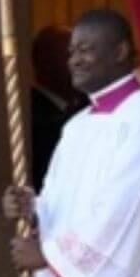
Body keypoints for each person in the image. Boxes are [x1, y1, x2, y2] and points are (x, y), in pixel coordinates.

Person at [3, 8, 140, 277]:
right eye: (71, 52)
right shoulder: (76, 126)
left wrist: (51, 256)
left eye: (85, 49)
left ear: (120, 52)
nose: (74, 60)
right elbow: (62, 207)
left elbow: (126, 209)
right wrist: (32, 209)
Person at [29, 24, 86, 185]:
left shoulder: (86, 105)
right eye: (72, 54)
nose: (82, 63)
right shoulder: (31, 115)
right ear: (46, 63)